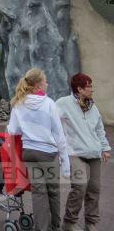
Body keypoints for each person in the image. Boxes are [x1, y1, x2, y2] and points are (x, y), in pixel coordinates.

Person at [7, 68, 69, 231]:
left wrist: (28, 129)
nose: (47, 84)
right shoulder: (49, 104)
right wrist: (66, 162)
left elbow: (13, 130)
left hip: (29, 153)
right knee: (53, 192)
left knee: (38, 193)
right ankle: (55, 227)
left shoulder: (19, 103)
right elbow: (59, 134)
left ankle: (42, 228)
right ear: (38, 86)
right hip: (48, 154)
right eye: (45, 81)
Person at [56, 73, 111, 231]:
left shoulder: (92, 106)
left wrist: (105, 148)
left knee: (94, 189)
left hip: (94, 153)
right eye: (89, 86)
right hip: (74, 153)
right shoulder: (63, 103)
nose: (92, 89)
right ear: (79, 89)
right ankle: (69, 222)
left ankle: (91, 223)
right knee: (80, 187)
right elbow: (51, 121)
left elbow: (99, 129)